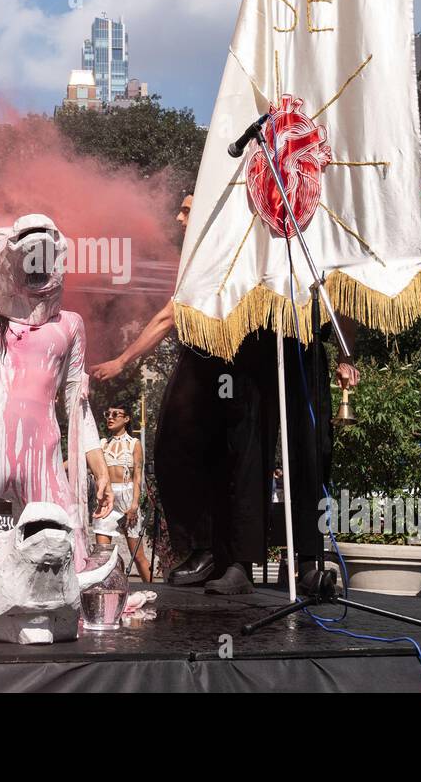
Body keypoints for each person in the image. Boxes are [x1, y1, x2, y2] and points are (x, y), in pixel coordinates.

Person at [94, 193, 358, 595]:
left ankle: (308, 562)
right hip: (248, 347)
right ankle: (240, 563)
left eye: (187, 210)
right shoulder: (221, 247)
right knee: (245, 455)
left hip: (302, 343)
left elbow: (337, 295)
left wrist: (345, 354)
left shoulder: (307, 225)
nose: (180, 218)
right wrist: (123, 359)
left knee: (310, 453)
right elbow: (171, 313)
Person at [0, 213, 114, 610]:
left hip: (42, 456)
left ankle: (6, 590)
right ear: (10, 260)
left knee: (71, 587)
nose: (36, 267)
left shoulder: (71, 326)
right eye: (28, 256)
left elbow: (77, 404)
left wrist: (100, 473)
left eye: (43, 256)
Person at [92, 406, 153, 583]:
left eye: (115, 415)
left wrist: (134, 505)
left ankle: (156, 591)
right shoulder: (103, 444)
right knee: (101, 556)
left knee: (138, 556)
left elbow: (138, 476)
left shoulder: (134, 444)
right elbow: (81, 458)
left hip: (127, 499)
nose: (110, 418)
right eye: (107, 414)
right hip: (106, 500)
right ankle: (104, 595)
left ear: (126, 419)